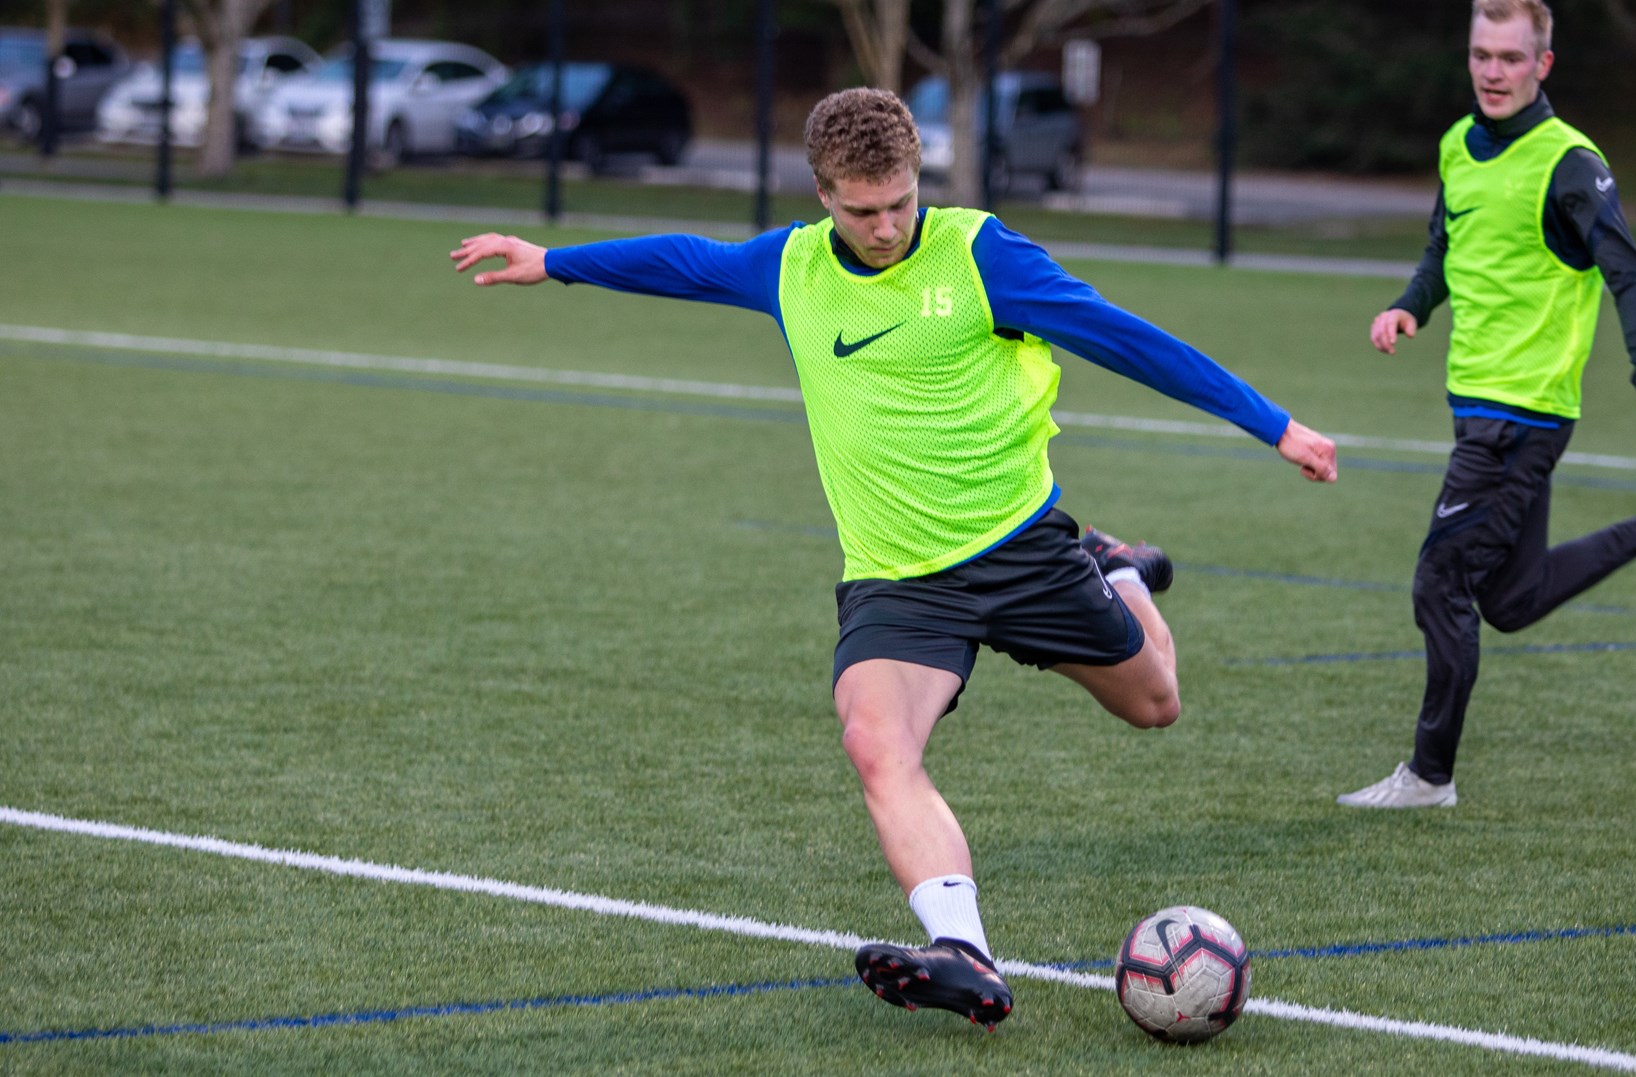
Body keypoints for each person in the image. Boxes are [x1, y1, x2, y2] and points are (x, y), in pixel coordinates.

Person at [451, 87, 1338, 1027]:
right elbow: (686, 260)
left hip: (1023, 550)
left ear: (921, 179)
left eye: (898, 203)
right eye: (859, 208)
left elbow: (1128, 340)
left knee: (1155, 702)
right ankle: (964, 950)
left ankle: (1114, 570)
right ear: (823, 194)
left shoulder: (980, 254)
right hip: (898, 579)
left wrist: (1272, 425)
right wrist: (552, 261)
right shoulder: (791, 266)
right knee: (875, 743)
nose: (882, 227)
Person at [1338, 0, 1636, 811]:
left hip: (1522, 415)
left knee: (1439, 579)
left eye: (1508, 57)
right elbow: (1444, 248)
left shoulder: (1570, 162)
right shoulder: (1456, 147)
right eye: (1479, 55)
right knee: (1510, 597)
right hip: (1475, 406)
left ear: (1543, 64)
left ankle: (1429, 775)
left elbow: (1628, 271)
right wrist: (1408, 306)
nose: (1492, 72)